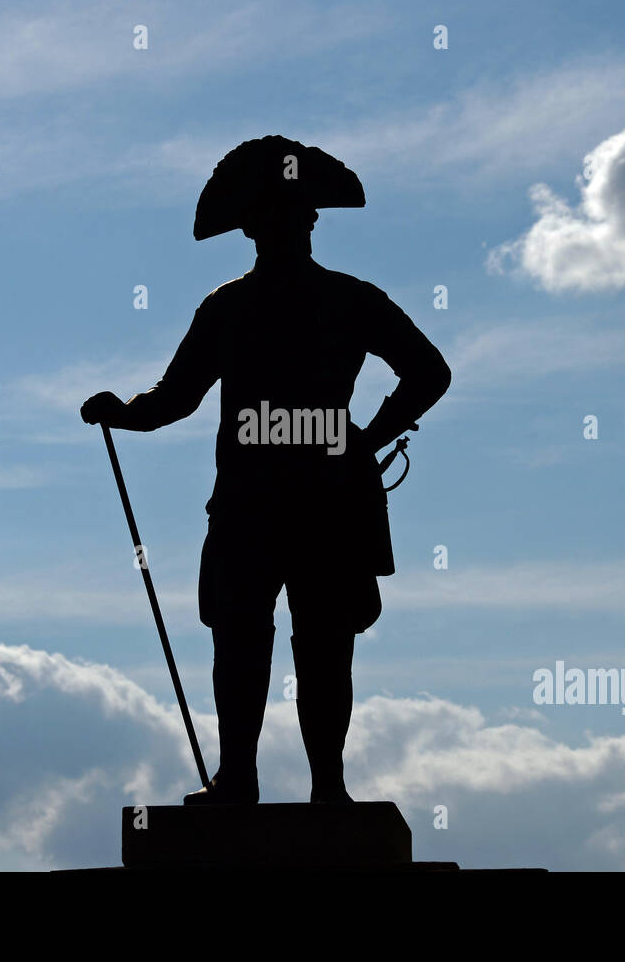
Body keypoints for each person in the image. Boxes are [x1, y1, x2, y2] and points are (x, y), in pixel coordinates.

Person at [82, 186, 450, 805]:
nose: (281, 226)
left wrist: (367, 439)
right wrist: (124, 413)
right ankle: (255, 779)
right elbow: (176, 397)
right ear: (252, 227)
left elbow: (430, 372)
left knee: (305, 641)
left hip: (295, 502)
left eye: (288, 214)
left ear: (309, 220)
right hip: (270, 501)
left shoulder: (278, 302)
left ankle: (314, 785)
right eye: (269, 216)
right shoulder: (262, 304)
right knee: (254, 636)